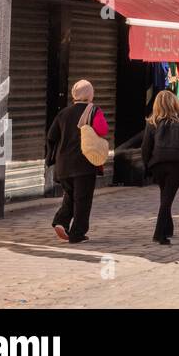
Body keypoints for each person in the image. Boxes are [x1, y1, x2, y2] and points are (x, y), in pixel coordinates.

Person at [46, 79, 108, 243]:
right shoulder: (93, 110)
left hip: (64, 164)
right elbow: (103, 130)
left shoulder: (63, 113)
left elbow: (51, 137)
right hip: (84, 163)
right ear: (90, 94)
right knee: (83, 199)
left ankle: (61, 221)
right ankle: (77, 233)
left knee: (71, 196)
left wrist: (50, 159)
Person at [140, 90, 179, 245]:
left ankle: (168, 227)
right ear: (175, 103)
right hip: (177, 163)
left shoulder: (152, 122)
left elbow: (145, 148)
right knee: (167, 198)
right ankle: (159, 234)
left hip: (158, 163)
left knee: (165, 195)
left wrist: (147, 165)